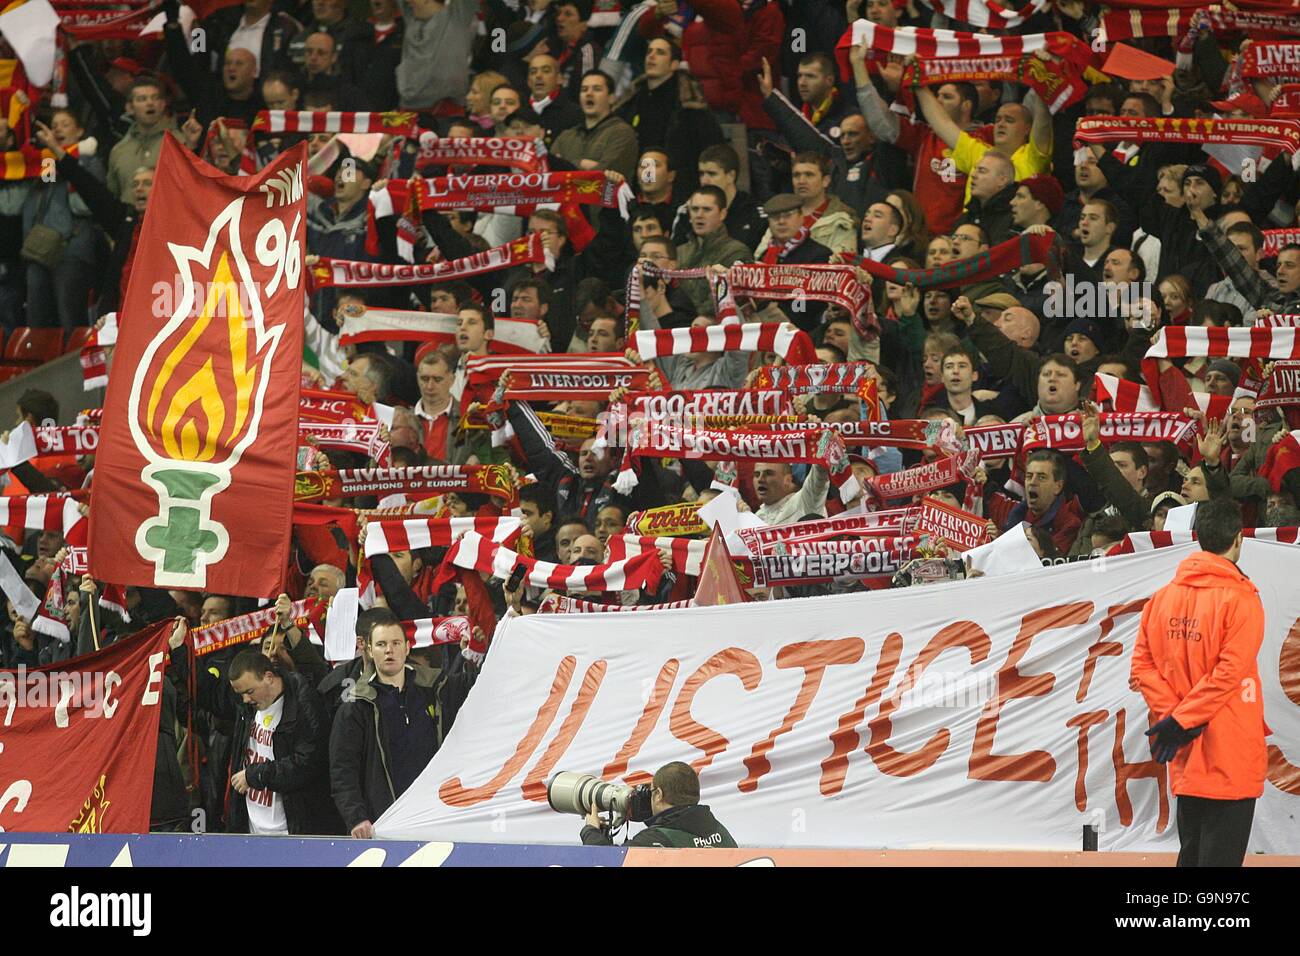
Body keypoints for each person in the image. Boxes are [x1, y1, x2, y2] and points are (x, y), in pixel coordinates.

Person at [1131, 498, 1267, 867]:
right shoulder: (1242, 600)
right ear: (1239, 540)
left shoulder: (1161, 599)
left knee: (1191, 855)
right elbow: (1229, 673)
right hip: (1230, 752)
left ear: (1198, 538)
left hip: (1185, 755)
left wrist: (1174, 717)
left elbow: (1141, 666)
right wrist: (1183, 720)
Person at [329, 610, 478, 837]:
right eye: (381, 644)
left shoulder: (436, 687)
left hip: (434, 816)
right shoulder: (354, 706)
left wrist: (474, 652)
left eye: (396, 643)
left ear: (407, 648)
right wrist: (357, 818)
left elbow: (483, 685)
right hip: (385, 823)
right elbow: (343, 771)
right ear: (368, 650)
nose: (389, 650)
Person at [219, 648, 342, 835]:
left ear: (268, 677)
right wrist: (180, 650)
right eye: (241, 693)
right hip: (251, 829)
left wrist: (255, 775)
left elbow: (306, 764)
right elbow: (208, 697)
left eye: (250, 691)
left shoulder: (305, 704)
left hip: (292, 831)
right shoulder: (248, 705)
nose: (245, 699)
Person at [580, 761, 736, 848]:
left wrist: (591, 831)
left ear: (659, 795)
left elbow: (608, 862)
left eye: (651, 791)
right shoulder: (718, 830)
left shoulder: (655, 839)